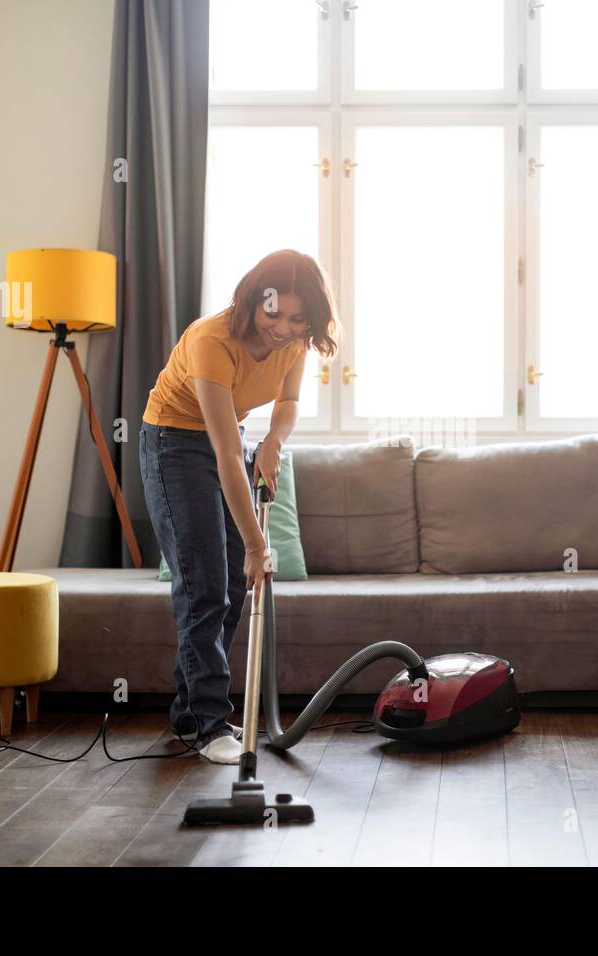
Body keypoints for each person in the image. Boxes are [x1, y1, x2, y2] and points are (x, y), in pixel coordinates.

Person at [139, 250, 339, 763]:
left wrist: (274, 439)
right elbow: (226, 454)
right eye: (274, 314)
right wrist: (256, 545)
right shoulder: (212, 341)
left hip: (233, 439)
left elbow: (288, 403)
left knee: (228, 585)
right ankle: (208, 724)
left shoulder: (293, 343)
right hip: (174, 442)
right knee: (205, 582)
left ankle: (188, 710)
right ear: (254, 299)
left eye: (298, 320)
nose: (283, 328)